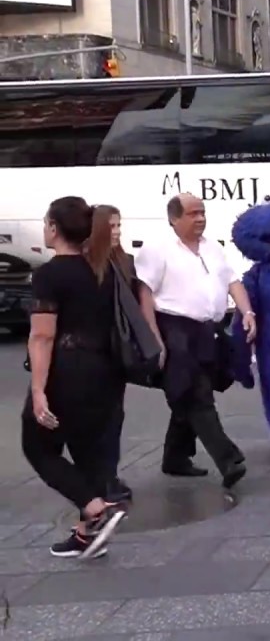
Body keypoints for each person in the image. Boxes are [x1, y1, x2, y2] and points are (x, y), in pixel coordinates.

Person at [22, 196, 129, 558]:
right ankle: (86, 533)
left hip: (67, 371)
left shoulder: (50, 274)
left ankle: (95, 506)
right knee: (87, 451)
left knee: (38, 447)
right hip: (105, 372)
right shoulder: (102, 268)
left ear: (54, 228)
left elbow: (43, 335)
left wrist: (38, 390)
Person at [136, 193, 250, 490]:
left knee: (187, 393)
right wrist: (155, 338)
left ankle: (175, 458)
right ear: (174, 218)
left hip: (206, 329)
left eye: (202, 213)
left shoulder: (213, 248)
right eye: (192, 214)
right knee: (196, 393)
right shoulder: (157, 249)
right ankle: (228, 460)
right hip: (173, 328)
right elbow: (145, 293)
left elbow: (232, 281)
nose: (200, 218)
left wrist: (247, 311)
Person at [85, 204, 156, 503]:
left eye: (118, 226)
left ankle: (108, 476)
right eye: (111, 227)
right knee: (98, 418)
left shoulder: (124, 261)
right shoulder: (85, 264)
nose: (117, 232)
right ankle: (99, 481)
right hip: (91, 353)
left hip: (118, 349)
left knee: (114, 416)